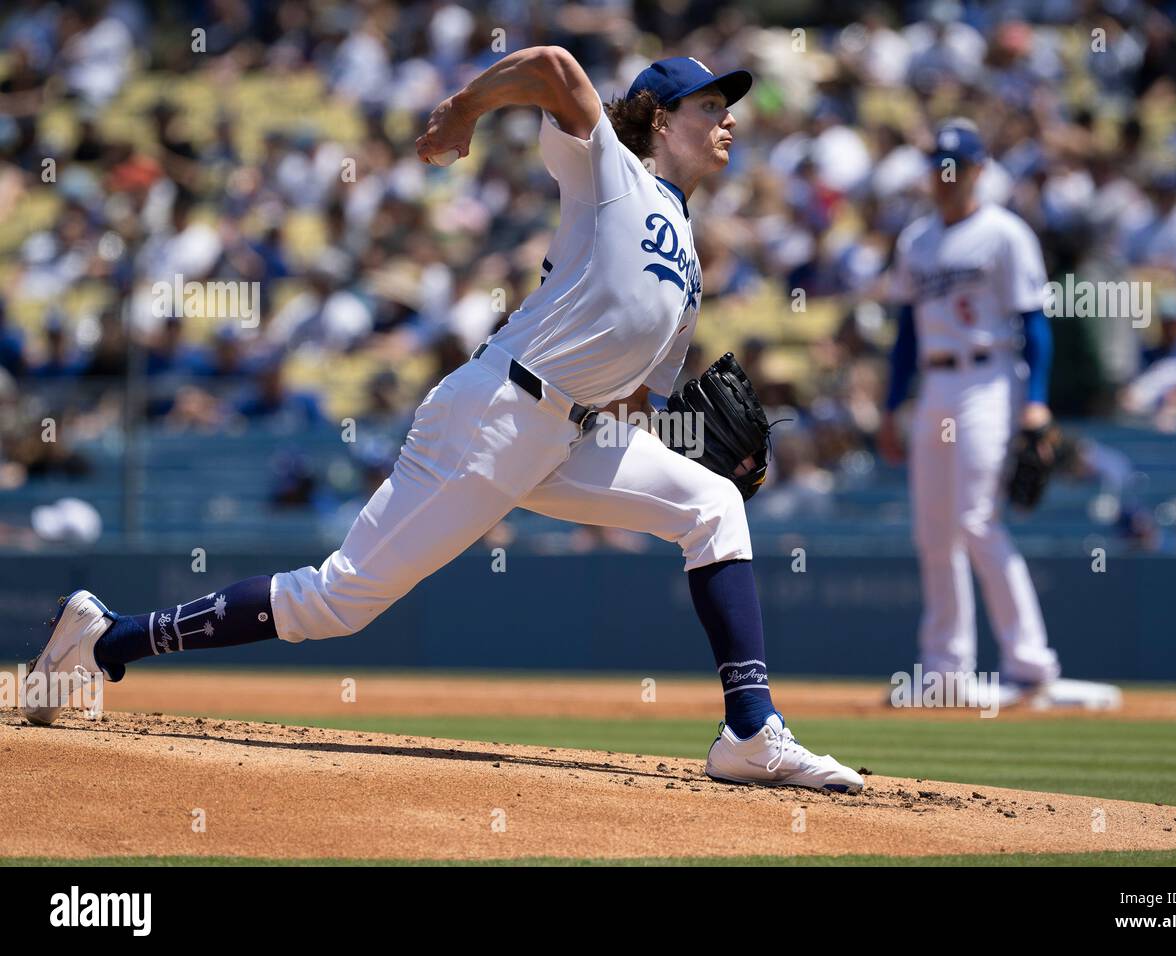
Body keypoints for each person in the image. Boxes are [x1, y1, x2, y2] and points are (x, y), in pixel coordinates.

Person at [22, 48, 861, 794]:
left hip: (565, 435)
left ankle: (751, 733)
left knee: (713, 507)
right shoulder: (613, 174)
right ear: (660, 118)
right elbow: (559, 70)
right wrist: (462, 113)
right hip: (495, 414)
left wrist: (696, 446)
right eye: (712, 106)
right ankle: (107, 638)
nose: (730, 120)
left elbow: (631, 402)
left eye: (728, 106)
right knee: (338, 601)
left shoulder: (687, 251)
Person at [878, 119, 1062, 702]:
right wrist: (889, 408)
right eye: (938, 164)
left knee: (977, 520)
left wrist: (1036, 404)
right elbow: (906, 332)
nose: (945, 174)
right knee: (933, 530)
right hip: (935, 384)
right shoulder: (916, 241)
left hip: (989, 377)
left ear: (979, 169)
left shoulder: (1005, 233)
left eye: (956, 164)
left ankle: (1030, 662)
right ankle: (943, 670)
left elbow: (1035, 322)